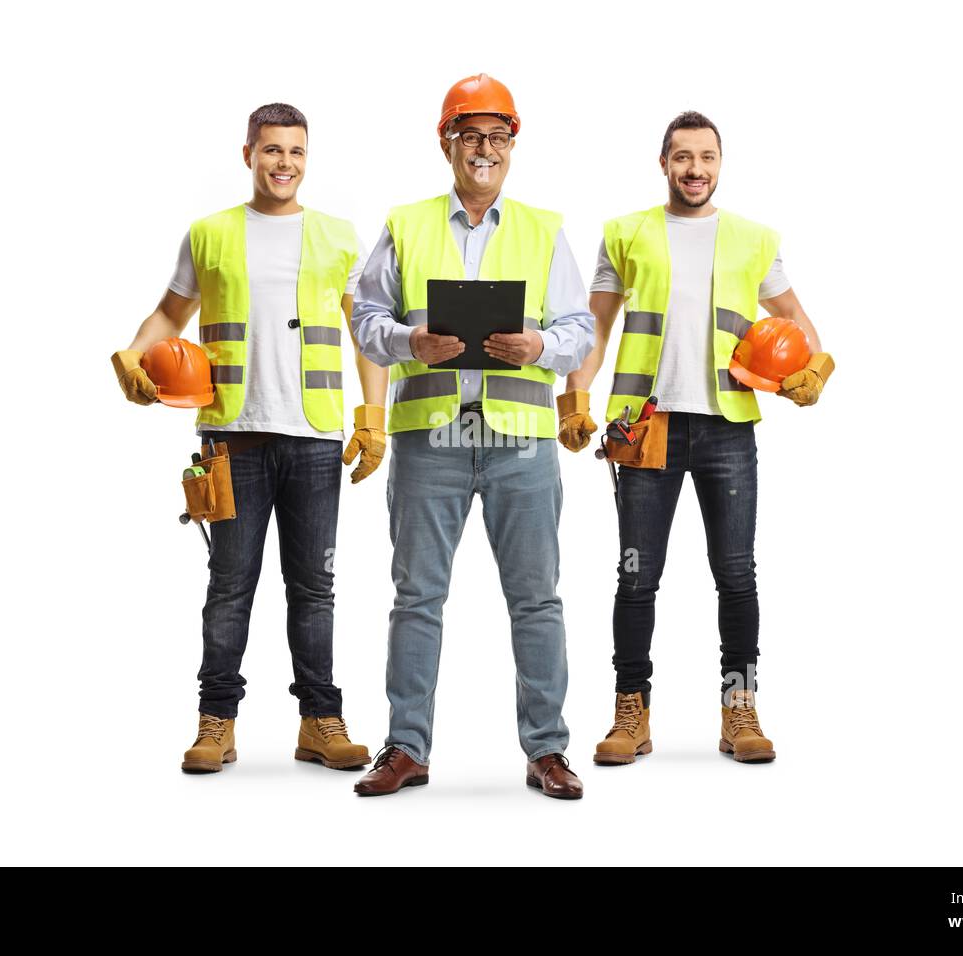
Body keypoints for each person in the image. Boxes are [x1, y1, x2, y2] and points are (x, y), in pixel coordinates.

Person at [110, 103, 385, 774]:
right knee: (230, 584)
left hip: (314, 434)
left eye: (295, 151)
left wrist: (372, 416)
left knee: (314, 586)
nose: (283, 163)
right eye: (271, 150)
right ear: (248, 155)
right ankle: (217, 723)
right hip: (230, 435)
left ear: (306, 158)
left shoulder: (339, 236)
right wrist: (132, 354)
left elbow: (367, 332)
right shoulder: (209, 234)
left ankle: (321, 721)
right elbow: (171, 312)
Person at [559, 110, 834, 766]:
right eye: (682, 157)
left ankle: (740, 708)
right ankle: (632, 712)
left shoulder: (752, 239)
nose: (695, 169)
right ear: (663, 163)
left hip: (728, 429)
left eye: (706, 157)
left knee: (737, 574)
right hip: (644, 428)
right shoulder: (626, 234)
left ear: (719, 163)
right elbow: (595, 327)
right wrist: (574, 399)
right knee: (636, 576)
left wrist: (815, 369)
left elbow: (795, 319)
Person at [349, 74, 594, 799]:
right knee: (416, 597)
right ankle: (405, 747)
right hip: (430, 439)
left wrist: (539, 349)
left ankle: (548, 751)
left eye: (497, 137)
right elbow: (364, 320)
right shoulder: (405, 224)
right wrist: (406, 341)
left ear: (512, 146)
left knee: (537, 599)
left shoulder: (544, 229)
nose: (484, 150)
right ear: (445, 142)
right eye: (469, 136)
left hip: (521, 442)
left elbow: (580, 332)